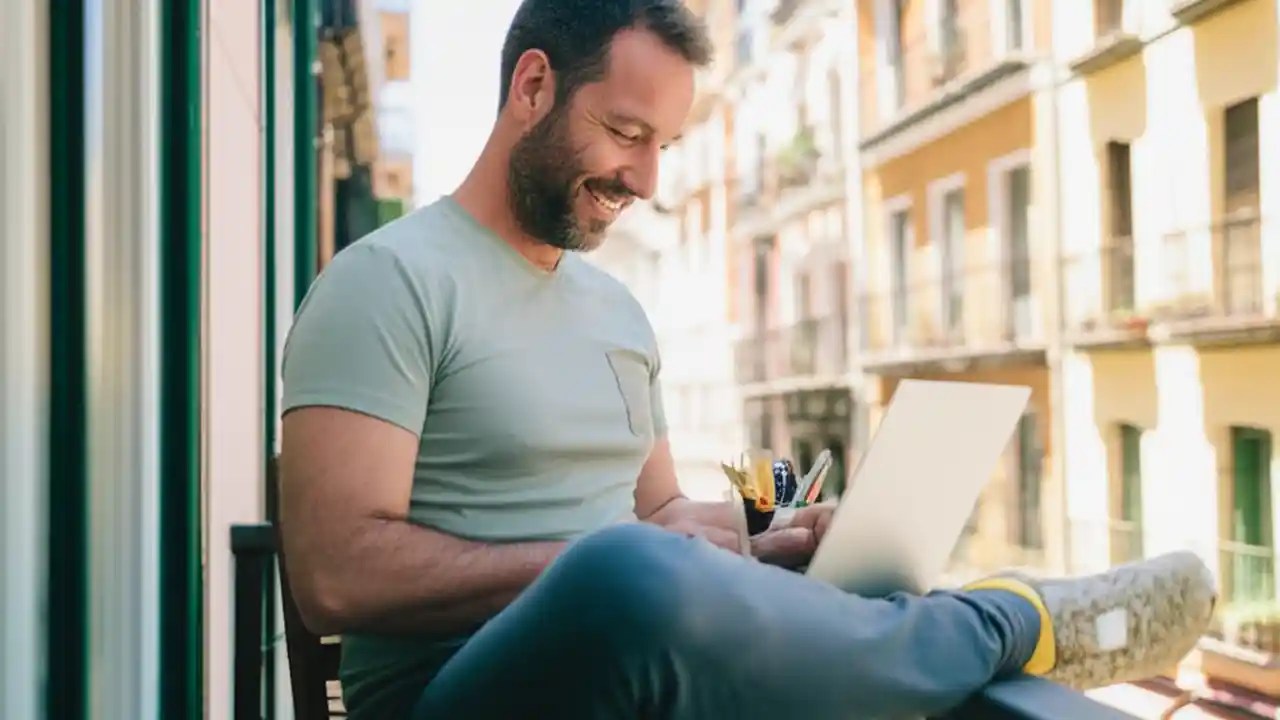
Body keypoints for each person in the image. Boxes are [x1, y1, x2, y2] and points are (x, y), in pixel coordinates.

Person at [277, 1, 1218, 718]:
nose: (646, 180)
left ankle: (944, 615)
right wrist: (610, 558)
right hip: (456, 690)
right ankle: (1012, 624)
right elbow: (335, 574)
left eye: (665, 146)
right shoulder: (386, 281)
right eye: (626, 133)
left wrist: (760, 538)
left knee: (730, 561)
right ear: (532, 88)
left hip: (636, 667)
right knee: (620, 577)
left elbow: (659, 514)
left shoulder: (615, 309)